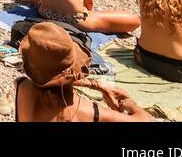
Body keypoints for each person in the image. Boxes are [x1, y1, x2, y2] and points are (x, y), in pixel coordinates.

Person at [15, 22, 150, 123]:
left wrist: (96, 85)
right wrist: (130, 103)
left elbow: (53, 81)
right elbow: (146, 120)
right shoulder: (90, 113)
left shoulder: (22, 87)